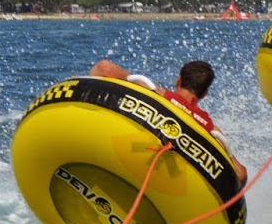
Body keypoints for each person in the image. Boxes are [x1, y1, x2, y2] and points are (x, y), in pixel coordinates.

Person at [88, 58, 246, 180]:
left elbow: (104, 67)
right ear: (205, 94)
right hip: (176, 181)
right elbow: (240, 175)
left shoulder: (154, 93)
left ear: (178, 80)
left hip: (130, 161)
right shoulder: (210, 130)